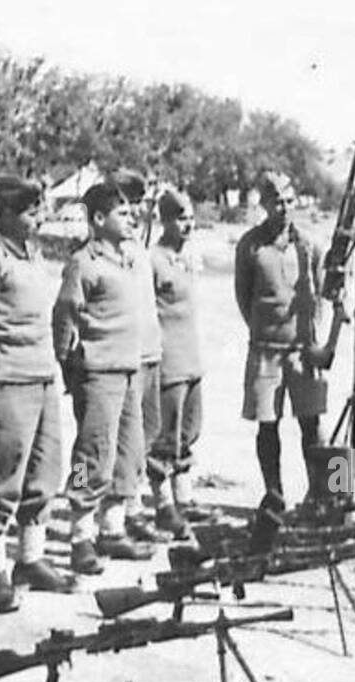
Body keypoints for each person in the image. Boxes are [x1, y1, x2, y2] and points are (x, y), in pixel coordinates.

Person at [0, 175, 76, 601]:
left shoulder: (32, 254)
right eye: (33, 212)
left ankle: (30, 559)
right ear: (8, 213)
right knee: (4, 477)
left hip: (41, 375)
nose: (41, 218)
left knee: (45, 471)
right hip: (7, 379)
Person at [53, 180, 155, 575]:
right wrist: (70, 365)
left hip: (129, 369)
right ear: (99, 219)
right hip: (97, 373)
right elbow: (64, 316)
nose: (131, 218)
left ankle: (112, 528)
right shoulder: (84, 263)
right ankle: (80, 533)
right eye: (123, 213)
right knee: (89, 455)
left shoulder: (127, 258)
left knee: (126, 453)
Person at [233, 171, 327, 509]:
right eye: (276, 202)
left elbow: (319, 295)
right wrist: (263, 329)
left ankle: (328, 494)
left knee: (314, 425)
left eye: (289, 201)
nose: (284, 208)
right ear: (265, 204)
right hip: (265, 350)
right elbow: (243, 297)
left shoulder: (310, 244)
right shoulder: (250, 245)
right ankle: (273, 495)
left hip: (303, 351)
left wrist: (316, 340)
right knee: (267, 424)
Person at [109, 168, 165, 543]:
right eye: (130, 203)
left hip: (148, 352)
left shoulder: (138, 249)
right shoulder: (107, 252)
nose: (136, 211)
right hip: (120, 361)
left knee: (144, 436)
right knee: (108, 445)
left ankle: (132, 505)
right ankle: (104, 512)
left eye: (140, 203)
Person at [148, 185, 206, 539]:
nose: (189, 225)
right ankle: (163, 505)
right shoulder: (152, 260)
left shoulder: (190, 257)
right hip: (167, 360)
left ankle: (184, 498)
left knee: (189, 431)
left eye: (191, 218)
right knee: (164, 438)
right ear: (165, 221)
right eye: (181, 218)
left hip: (191, 357)